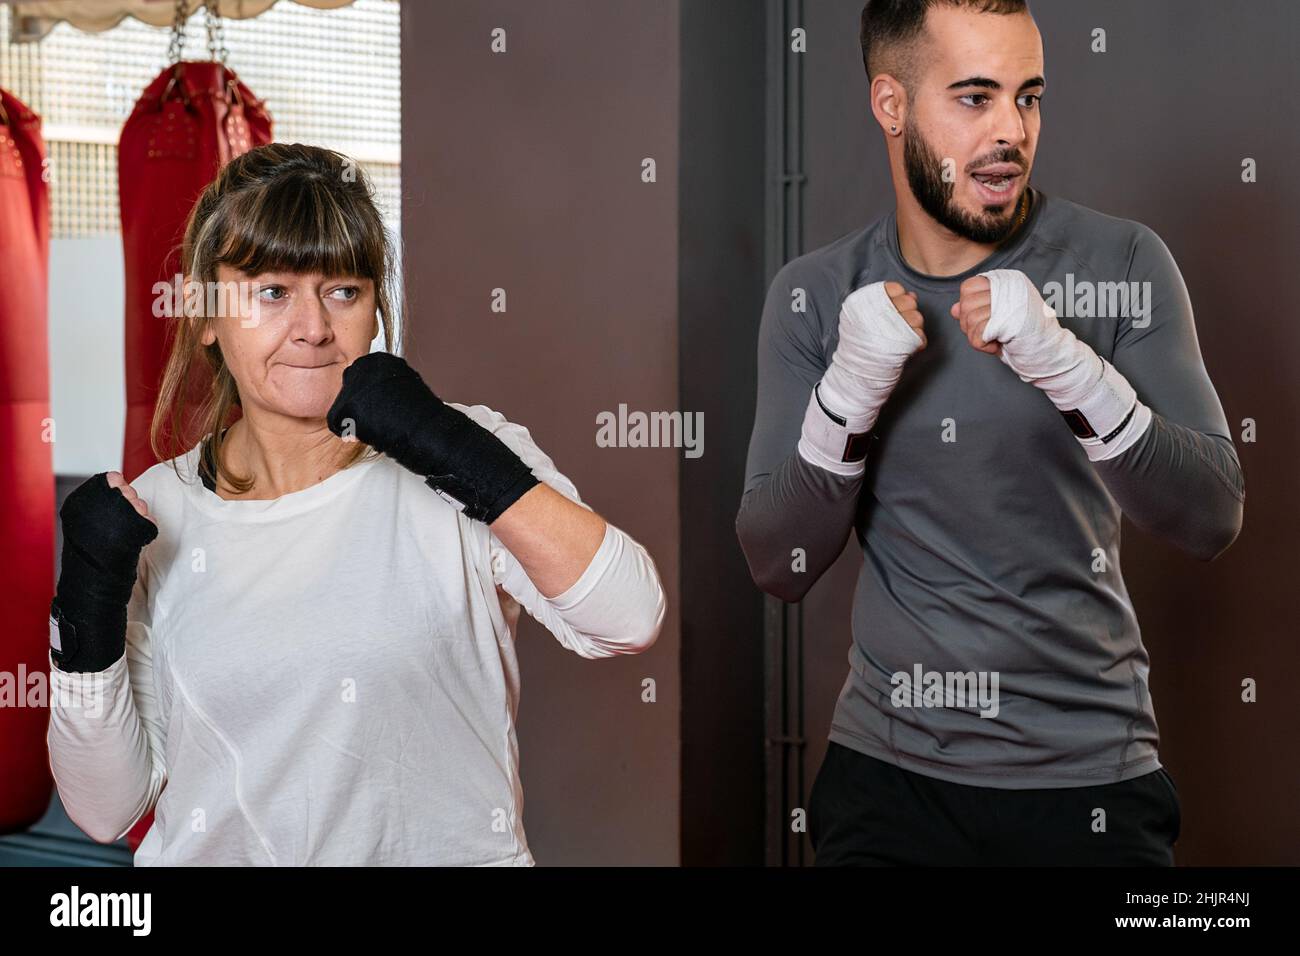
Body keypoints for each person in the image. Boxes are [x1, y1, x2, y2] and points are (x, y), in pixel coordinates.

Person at [46, 142, 666, 866]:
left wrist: (447, 446)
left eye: (343, 290)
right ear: (205, 315)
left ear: (375, 307)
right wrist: (85, 613)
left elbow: (630, 617)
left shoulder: (467, 454)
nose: (313, 327)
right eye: (271, 292)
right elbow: (104, 809)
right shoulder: (155, 511)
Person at [736, 0, 1243, 865]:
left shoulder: (1121, 263)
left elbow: (1210, 516)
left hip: (1087, 778)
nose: (1012, 129)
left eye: (1028, 96)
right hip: (887, 777)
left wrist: (1067, 364)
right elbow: (775, 562)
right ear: (891, 105)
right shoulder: (817, 295)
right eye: (975, 98)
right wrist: (850, 392)